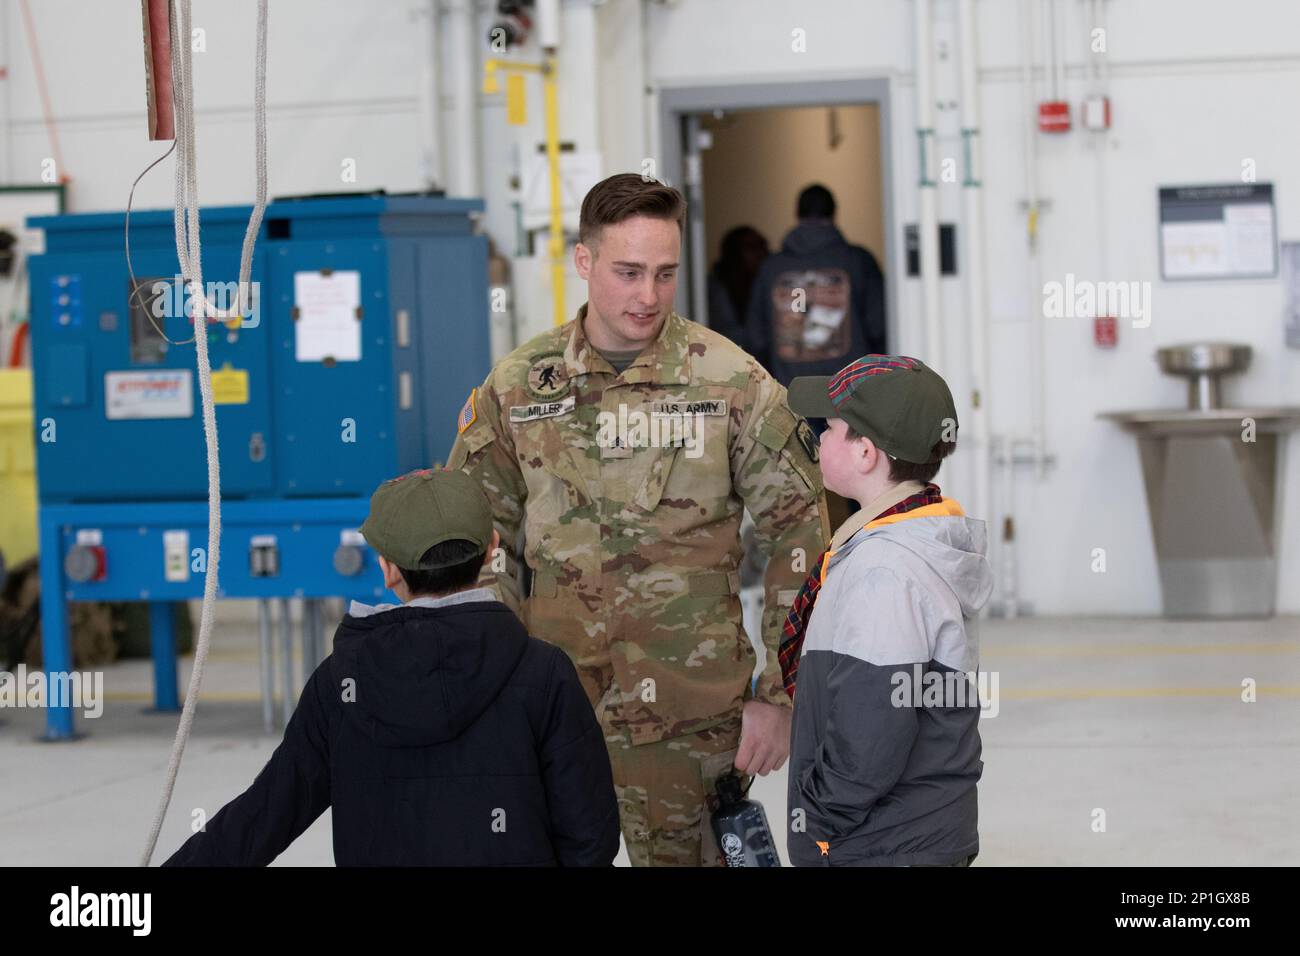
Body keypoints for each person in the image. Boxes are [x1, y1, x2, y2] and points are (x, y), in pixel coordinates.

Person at [447, 172, 829, 867]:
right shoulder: (519, 386)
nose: (647, 295)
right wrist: (490, 682)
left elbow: (800, 533)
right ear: (584, 262)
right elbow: (477, 541)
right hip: (552, 710)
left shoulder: (730, 382)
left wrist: (778, 695)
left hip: (691, 724)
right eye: (627, 272)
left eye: (664, 273)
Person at [164, 468, 620, 867]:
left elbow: (262, 817)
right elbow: (591, 837)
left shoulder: (340, 686)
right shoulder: (545, 674)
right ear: (491, 552)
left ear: (388, 570)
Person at [781, 354, 993, 867]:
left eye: (829, 429)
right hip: (913, 834)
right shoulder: (909, 540)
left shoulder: (886, 572)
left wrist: (818, 820)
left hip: (877, 845)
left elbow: (869, 738)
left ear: (866, 453)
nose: (820, 440)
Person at [745, 184, 887, 385]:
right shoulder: (858, 261)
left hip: (790, 391)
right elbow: (878, 327)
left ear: (796, 213)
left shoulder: (772, 268)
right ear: (834, 212)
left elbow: (756, 336)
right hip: (850, 393)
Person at [706, 225, 769, 351]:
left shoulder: (766, 284)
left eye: (762, 246)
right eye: (751, 247)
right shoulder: (716, 291)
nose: (760, 253)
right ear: (734, 254)